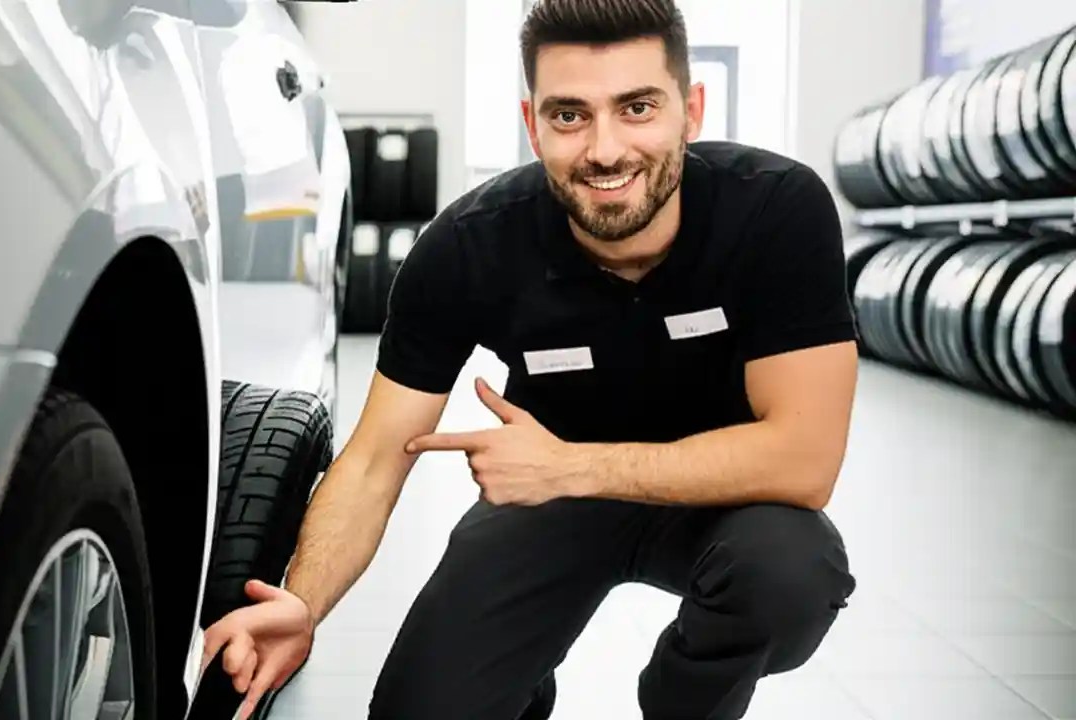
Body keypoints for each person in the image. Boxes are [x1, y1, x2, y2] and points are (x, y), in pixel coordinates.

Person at [199, 0, 859, 717]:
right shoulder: (469, 246)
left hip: (719, 504)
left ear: (691, 111)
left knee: (788, 572)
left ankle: (683, 698)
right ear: (532, 124)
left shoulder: (776, 211)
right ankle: (518, 679)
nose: (605, 150)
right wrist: (304, 600)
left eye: (637, 108)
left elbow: (804, 459)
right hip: (545, 504)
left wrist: (570, 465)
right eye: (569, 116)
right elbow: (373, 457)